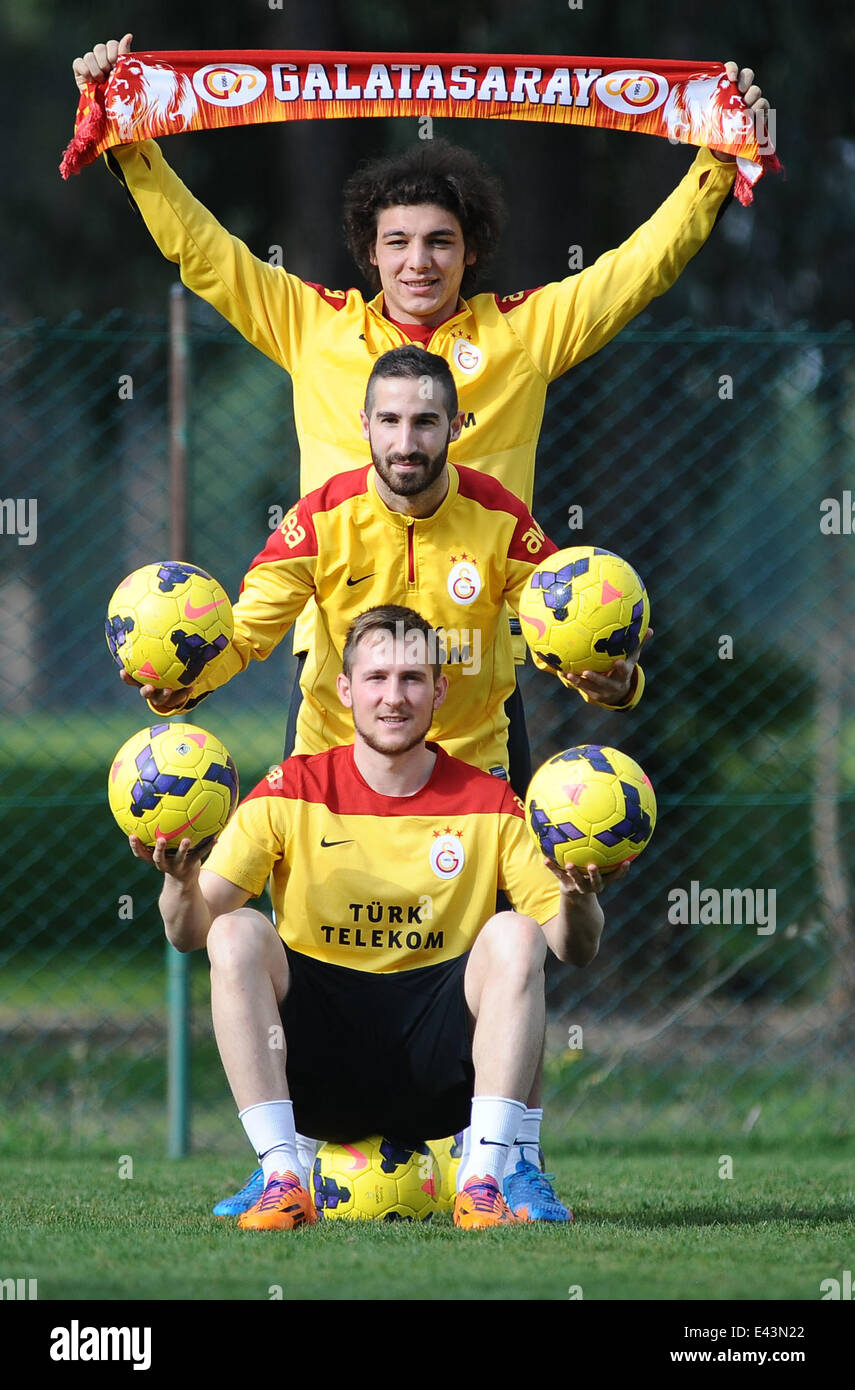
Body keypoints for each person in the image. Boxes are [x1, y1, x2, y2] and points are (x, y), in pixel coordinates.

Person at [72, 36, 767, 785]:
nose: (418, 262)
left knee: (497, 898)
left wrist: (716, 162)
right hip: (341, 671)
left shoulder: (521, 335)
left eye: (441, 242)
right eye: (396, 242)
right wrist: (132, 144)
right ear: (369, 254)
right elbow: (205, 253)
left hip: (472, 667)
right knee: (323, 888)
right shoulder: (315, 328)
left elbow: (636, 270)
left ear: (472, 253)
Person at [130, 605, 624, 1230]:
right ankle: (283, 1175)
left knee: (516, 932)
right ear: (345, 690)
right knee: (235, 929)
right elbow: (190, 933)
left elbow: (572, 948)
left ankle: (483, 1181)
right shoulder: (289, 790)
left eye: (413, 678)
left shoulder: (491, 800)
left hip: (444, 1075)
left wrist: (580, 896)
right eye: (377, 677)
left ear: (440, 690)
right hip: (317, 1068)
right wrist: (179, 883)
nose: (395, 697)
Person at [124, 347, 647, 779]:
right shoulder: (321, 516)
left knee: (511, 912)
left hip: (468, 771)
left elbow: (563, 623)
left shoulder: (500, 515)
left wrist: (619, 683)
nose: (405, 444)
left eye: (425, 423)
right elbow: (245, 634)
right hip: (335, 765)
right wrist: (185, 683)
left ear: (457, 426)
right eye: (389, 421)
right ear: (364, 425)